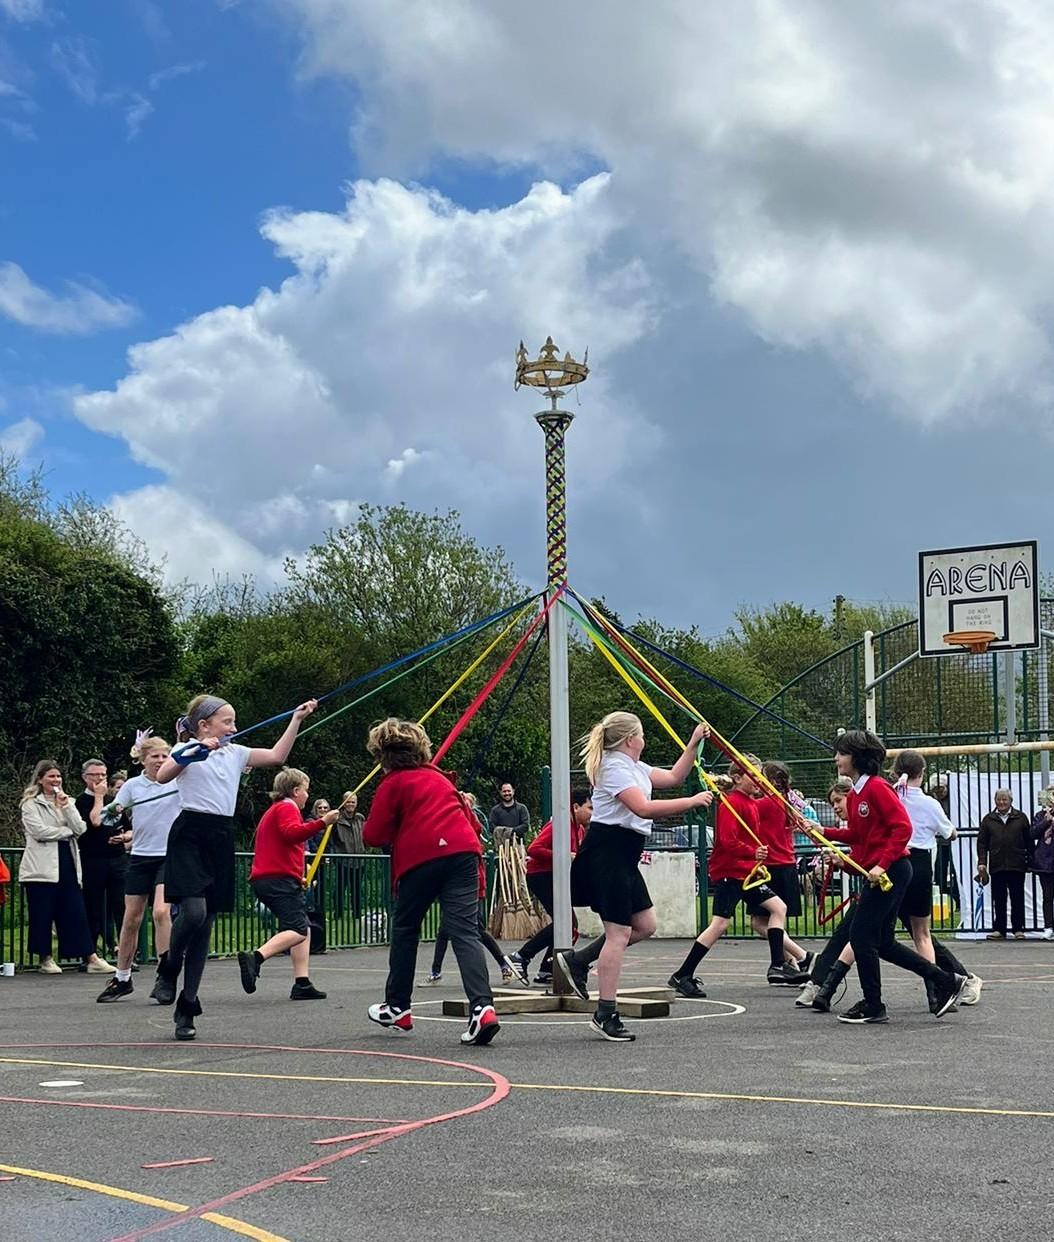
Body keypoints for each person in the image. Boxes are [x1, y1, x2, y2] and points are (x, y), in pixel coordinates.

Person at [152, 693, 318, 1041]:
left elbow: (276, 756)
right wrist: (193, 753)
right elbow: (164, 776)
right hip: (190, 834)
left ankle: (188, 1003)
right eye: (228, 722)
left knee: (205, 925)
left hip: (220, 836)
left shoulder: (236, 753)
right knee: (193, 913)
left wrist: (296, 719)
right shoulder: (186, 749)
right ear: (204, 725)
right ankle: (168, 966)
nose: (234, 727)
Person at [553, 712, 713, 1043]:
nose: (644, 740)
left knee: (645, 926)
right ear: (630, 740)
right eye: (641, 735)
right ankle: (605, 1013)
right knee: (619, 932)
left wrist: (694, 742)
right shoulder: (612, 768)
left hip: (623, 853)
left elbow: (673, 776)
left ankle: (579, 961)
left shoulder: (635, 768)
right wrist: (692, 802)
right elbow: (643, 808)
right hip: (607, 851)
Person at [363, 718, 500, 1046]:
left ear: (383, 755)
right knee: (465, 931)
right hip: (464, 852)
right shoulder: (440, 779)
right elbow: (472, 824)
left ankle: (398, 1006)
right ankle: (483, 1007)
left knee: (406, 929)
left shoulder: (392, 784)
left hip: (420, 857)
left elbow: (373, 834)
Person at [823, 730, 966, 1024]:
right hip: (887, 872)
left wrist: (882, 864)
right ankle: (945, 980)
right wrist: (819, 830)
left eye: (842, 753)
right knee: (883, 942)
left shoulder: (876, 788)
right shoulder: (860, 791)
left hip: (893, 871)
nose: (836, 758)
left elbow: (903, 829)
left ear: (858, 757)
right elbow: (857, 835)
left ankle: (874, 1004)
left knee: (860, 935)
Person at [668, 756, 805, 999]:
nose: (758, 780)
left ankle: (778, 965)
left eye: (760, 774)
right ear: (737, 777)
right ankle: (683, 974)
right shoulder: (731, 804)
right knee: (720, 924)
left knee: (778, 907)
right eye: (753, 775)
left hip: (747, 873)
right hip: (730, 872)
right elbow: (727, 841)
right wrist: (752, 852)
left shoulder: (752, 803)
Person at [890, 750, 982, 1007]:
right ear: (922, 774)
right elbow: (949, 832)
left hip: (892, 862)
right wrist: (945, 832)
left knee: (870, 928)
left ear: (897, 772)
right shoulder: (930, 804)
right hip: (919, 864)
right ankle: (935, 993)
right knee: (922, 934)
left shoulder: (891, 797)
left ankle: (827, 980)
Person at [239, 768, 339, 1001]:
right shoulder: (286, 808)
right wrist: (323, 822)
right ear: (295, 791)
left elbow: (283, 847)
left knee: (301, 926)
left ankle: (302, 982)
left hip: (275, 878)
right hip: (276, 880)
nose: (307, 795)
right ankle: (256, 957)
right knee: (298, 929)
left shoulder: (277, 809)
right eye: (305, 790)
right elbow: (292, 834)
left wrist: (297, 875)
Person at [96, 735, 180, 1003]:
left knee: (160, 911)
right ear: (143, 759)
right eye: (155, 756)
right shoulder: (133, 785)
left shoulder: (178, 780)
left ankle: (165, 976)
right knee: (131, 919)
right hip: (140, 857)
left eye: (164, 756)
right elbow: (106, 818)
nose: (160, 760)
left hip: (169, 856)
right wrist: (113, 807)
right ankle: (122, 978)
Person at [19, 760, 114, 974]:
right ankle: (45, 959)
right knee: (43, 913)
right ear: (41, 779)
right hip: (41, 867)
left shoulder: (67, 801)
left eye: (58, 776)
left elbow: (81, 828)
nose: (56, 780)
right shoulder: (31, 804)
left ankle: (90, 957)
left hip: (68, 861)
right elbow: (39, 832)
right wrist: (65, 832)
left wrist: (67, 808)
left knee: (75, 911)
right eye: (51, 776)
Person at [508, 789, 593, 986]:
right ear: (575, 807)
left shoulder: (579, 830)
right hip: (541, 876)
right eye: (589, 808)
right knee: (566, 922)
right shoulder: (561, 824)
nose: (592, 813)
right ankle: (520, 956)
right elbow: (534, 848)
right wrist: (564, 855)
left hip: (556, 877)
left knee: (570, 927)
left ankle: (547, 970)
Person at [75, 758, 128, 963]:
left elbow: (128, 827)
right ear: (84, 778)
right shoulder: (80, 801)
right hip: (93, 860)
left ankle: (125, 954)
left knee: (121, 906)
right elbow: (94, 821)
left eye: (103, 775)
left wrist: (124, 837)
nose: (99, 779)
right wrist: (99, 796)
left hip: (117, 858)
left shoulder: (115, 802)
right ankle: (90, 955)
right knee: (93, 907)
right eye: (94, 775)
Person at [978, 790, 1032, 939]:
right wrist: (982, 862)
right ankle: (999, 929)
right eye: (999, 800)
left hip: (1017, 864)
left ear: (1011, 801)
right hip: (997, 864)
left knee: (1017, 898)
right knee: (998, 899)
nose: (1001, 803)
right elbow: (982, 843)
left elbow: (1029, 841)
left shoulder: (1021, 817)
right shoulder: (988, 819)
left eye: (1004, 800)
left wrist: (1030, 861)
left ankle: (1018, 929)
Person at [333, 791, 367, 922]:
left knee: (357, 889)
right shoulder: (337, 819)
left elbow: (364, 836)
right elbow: (333, 839)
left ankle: (357, 914)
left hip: (360, 859)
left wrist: (364, 850)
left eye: (353, 801)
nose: (350, 804)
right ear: (343, 802)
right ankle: (338, 914)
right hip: (343, 860)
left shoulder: (360, 818)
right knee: (340, 889)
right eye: (348, 801)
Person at [1030, 788, 1054, 940]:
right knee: (1047, 896)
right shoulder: (1040, 815)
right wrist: (1046, 821)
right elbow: (1032, 834)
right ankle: (1048, 926)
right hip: (1045, 862)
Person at [489, 782, 529, 848]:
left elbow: (525, 826)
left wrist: (509, 831)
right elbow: (491, 827)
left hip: (518, 846)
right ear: (500, 792)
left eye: (509, 791)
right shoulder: (495, 810)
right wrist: (505, 832)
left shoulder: (522, 808)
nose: (507, 793)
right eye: (504, 791)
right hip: (501, 847)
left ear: (513, 791)